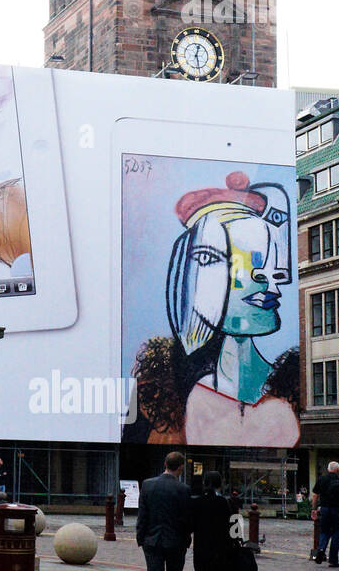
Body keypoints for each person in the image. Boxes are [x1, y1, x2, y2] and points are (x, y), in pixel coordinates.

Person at [128, 173, 299, 447]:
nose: (265, 279)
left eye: (266, 262)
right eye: (234, 262)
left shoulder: (289, 385)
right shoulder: (158, 392)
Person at [137, 450, 193, 571]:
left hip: (152, 541)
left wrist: (141, 538)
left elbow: (142, 516)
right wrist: (186, 540)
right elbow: (187, 519)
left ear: (165, 465)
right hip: (175, 542)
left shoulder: (147, 485)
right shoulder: (183, 489)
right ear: (181, 468)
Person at [191, 470, 236, 571]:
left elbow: (190, 526)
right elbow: (235, 529)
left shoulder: (197, 502)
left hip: (203, 553)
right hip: (223, 552)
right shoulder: (226, 502)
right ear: (220, 484)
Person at [311, 460, 339, 567]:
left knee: (324, 531)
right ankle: (333, 560)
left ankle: (321, 549)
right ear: (338, 470)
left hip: (325, 508)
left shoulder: (322, 479)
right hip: (338, 509)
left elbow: (315, 495)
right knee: (336, 534)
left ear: (328, 469)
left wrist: (314, 509)